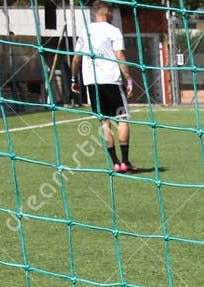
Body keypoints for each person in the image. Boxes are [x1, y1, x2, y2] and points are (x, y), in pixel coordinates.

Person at [73, 1, 135, 173]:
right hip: (112, 80)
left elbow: (76, 58)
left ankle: (115, 163)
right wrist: (128, 79)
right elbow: (119, 55)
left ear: (95, 13)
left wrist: (74, 79)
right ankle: (125, 162)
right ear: (108, 12)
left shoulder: (86, 31)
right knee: (122, 119)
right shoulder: (113, 31)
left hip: (92, 82)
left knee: (104, 122)